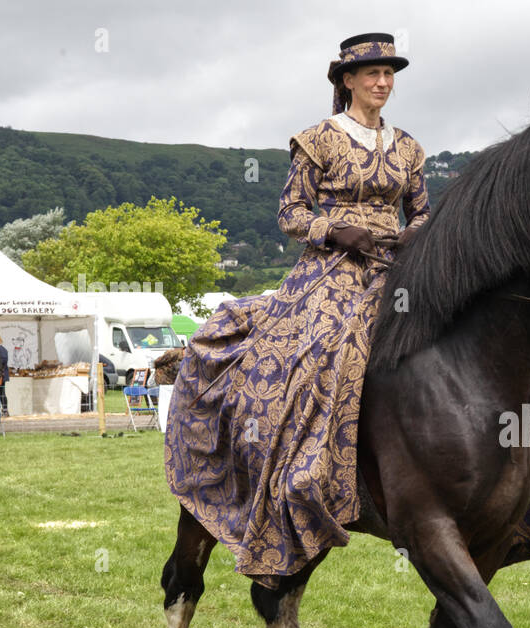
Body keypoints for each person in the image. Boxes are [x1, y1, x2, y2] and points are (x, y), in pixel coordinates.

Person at [165, 32, 446, 584]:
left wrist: (415, 235)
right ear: (347, 81)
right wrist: (335, 230)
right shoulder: (317, 138)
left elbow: (422, 210)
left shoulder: (410, 147)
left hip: (398, 267)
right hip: (332, 267)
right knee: (322, 347)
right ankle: (299, 466)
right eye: (372, 74)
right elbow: (290, 211)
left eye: (390, 74)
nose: (383, 82)